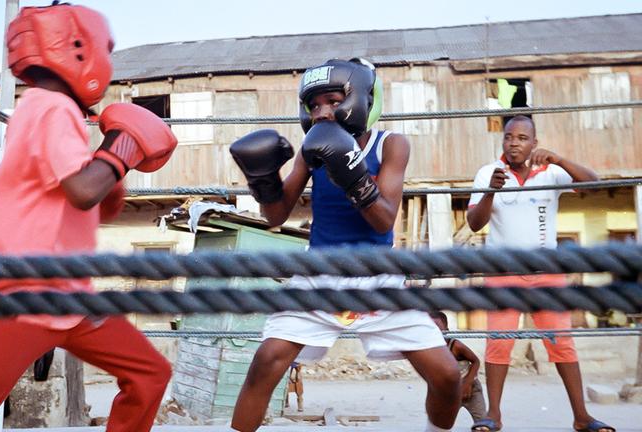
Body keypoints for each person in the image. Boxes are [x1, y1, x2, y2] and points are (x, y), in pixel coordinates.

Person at [0, 4, 177, 431]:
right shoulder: (51, 107)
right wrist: (122, 147)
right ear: (79, 47)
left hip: (72, 300)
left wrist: (113, 167)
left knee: (149, 374)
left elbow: (99, 203)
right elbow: (84, 192)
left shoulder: (40, 113)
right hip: (22, 302)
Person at [229, 58, 461, 432]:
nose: (323, 112)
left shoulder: (392, 144)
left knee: (447, 376)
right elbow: (276, 216)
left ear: (362, 101)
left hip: (379, 280)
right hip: (319, 275)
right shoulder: (312, 149)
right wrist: (263, 180)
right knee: (267, 360)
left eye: (334, 101)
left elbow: (384, 218)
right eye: (315, 105)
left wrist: (351, 172)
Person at [466, 115, 614, 432]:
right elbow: (474, 223)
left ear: (534, 142)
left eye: (522, 137)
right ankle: (494, 415)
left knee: (562, 343)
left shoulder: (552, 171)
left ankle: (581, 416)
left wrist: (559, 157)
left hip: (547, 271)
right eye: (508, 137)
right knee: (499, 343)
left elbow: (595, 183)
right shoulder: (489, 172)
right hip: (503, 271)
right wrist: (491, 191)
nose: (514, 143)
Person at [429, 311, 486, 424]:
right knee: (439, 422)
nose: (434, 332)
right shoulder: (431, 348)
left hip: (470, 389)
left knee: (482, 423)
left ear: (447, 330)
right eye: (430, 328)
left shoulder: (456, 346)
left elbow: (475, 362)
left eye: (437, 328)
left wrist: (467, 384)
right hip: (449, 391)